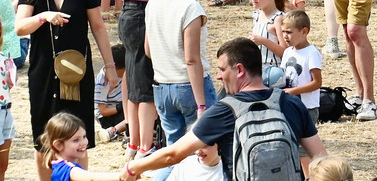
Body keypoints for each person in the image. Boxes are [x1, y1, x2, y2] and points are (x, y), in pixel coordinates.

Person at [124, 37, 327, 180]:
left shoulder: (224, 111)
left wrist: (134, 167)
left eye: (222, 69)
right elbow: (323, 160)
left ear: (239, 70)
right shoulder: (291, 103)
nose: (219, 76)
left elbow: (173, 154)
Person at [16, 0, 118, 181]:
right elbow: (20, 27)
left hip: (77, 70)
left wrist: (110, 66)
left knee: (79, 135)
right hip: (44, 71)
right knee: (44, 135)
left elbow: (98, 27)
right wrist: (43, 17)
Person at [109, 0, 179, 155]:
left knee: (136, 82)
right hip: (142, 14)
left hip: (130, 14)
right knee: (146, 85)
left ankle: (134, 143)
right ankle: (144, 146)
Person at [145, 0, 215, 145]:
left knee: (173, 150)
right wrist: (201, 104)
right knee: (204, 146)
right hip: (189, 86)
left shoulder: (154, 1)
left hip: (162, 86)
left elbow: (148, 50)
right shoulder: (191, 7)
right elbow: (191, 59)